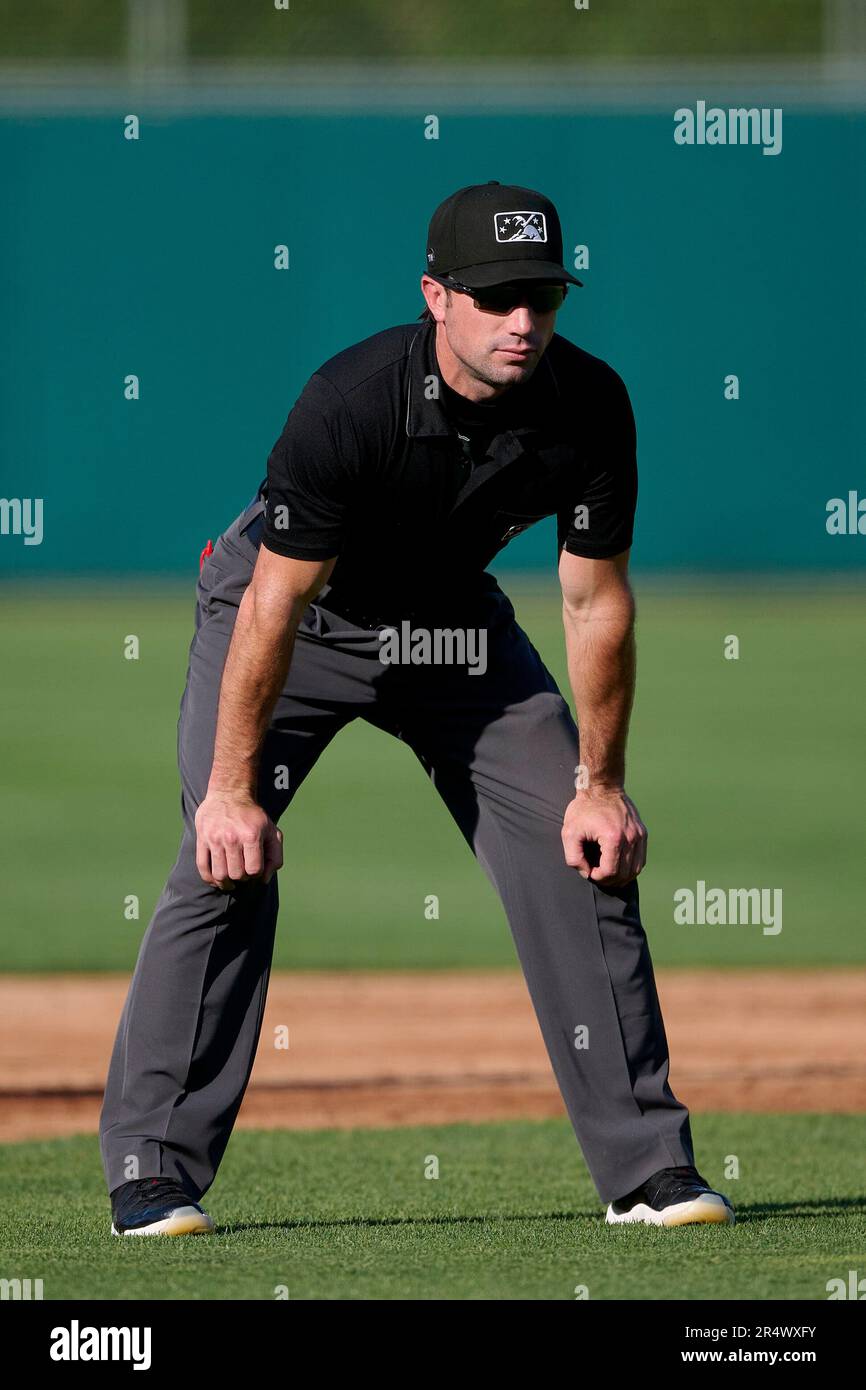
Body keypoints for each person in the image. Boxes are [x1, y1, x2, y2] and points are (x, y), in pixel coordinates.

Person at [100, 181, 735, 1237]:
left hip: (451, 626)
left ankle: (646, 1170)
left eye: (540, 295)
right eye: (493, 298)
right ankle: (152, 1173)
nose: (522, 321)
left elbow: (593, 599)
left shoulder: (587, 404)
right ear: (434, 296)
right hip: (296, 619)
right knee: (227, 854)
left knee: (580, 846)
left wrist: (601, 783)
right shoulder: (350, 403)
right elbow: (272, 601)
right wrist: (227, 792)